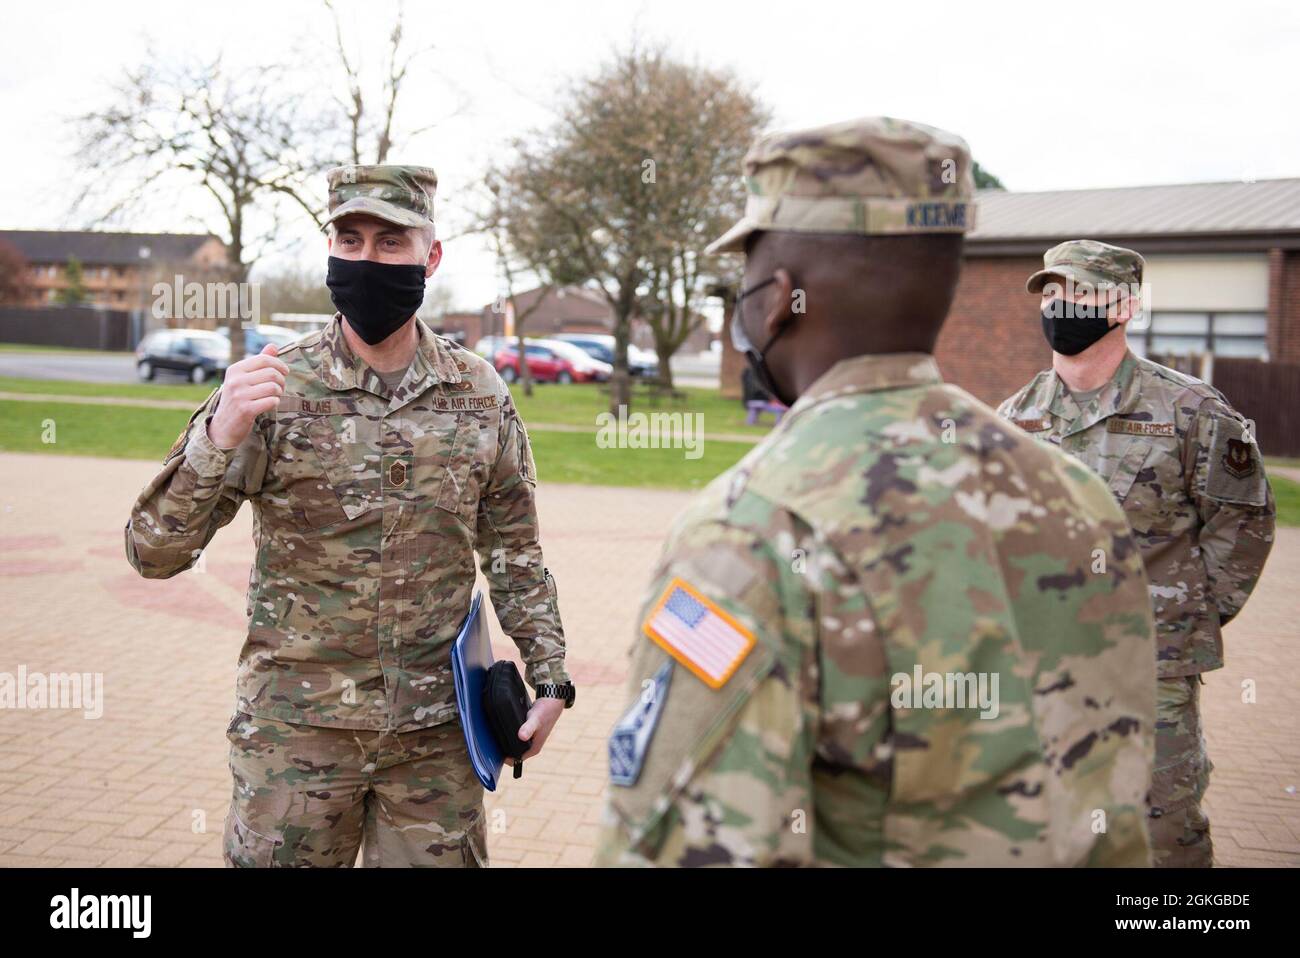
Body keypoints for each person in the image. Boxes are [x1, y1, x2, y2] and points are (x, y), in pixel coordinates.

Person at [595, 117, 1157, 867]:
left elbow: (687, 849)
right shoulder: (1079, 497)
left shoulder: (755, 533)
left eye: (747, 277)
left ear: (780, 298)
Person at [125, 164, 576, 867]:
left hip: (434, 743)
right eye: (350, 239)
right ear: (331, 249)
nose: (367, 259)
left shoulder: (477, 392)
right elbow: (153, 552)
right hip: (295, 739)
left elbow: (516, 553)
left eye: (390, 242)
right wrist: (218, 438)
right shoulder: (271, 387)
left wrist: (550, 678)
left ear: (430, 256)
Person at [998, 239, 1276, 867]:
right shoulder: (1015, 418)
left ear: (1123, 307)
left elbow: (1244, 522)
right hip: (1043, 665)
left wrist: (1182, 616)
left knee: (1162, 830)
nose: (1062, 306)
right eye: (1052, 293)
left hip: (1151, 668)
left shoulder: (1190, 411)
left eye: (1080, 293)